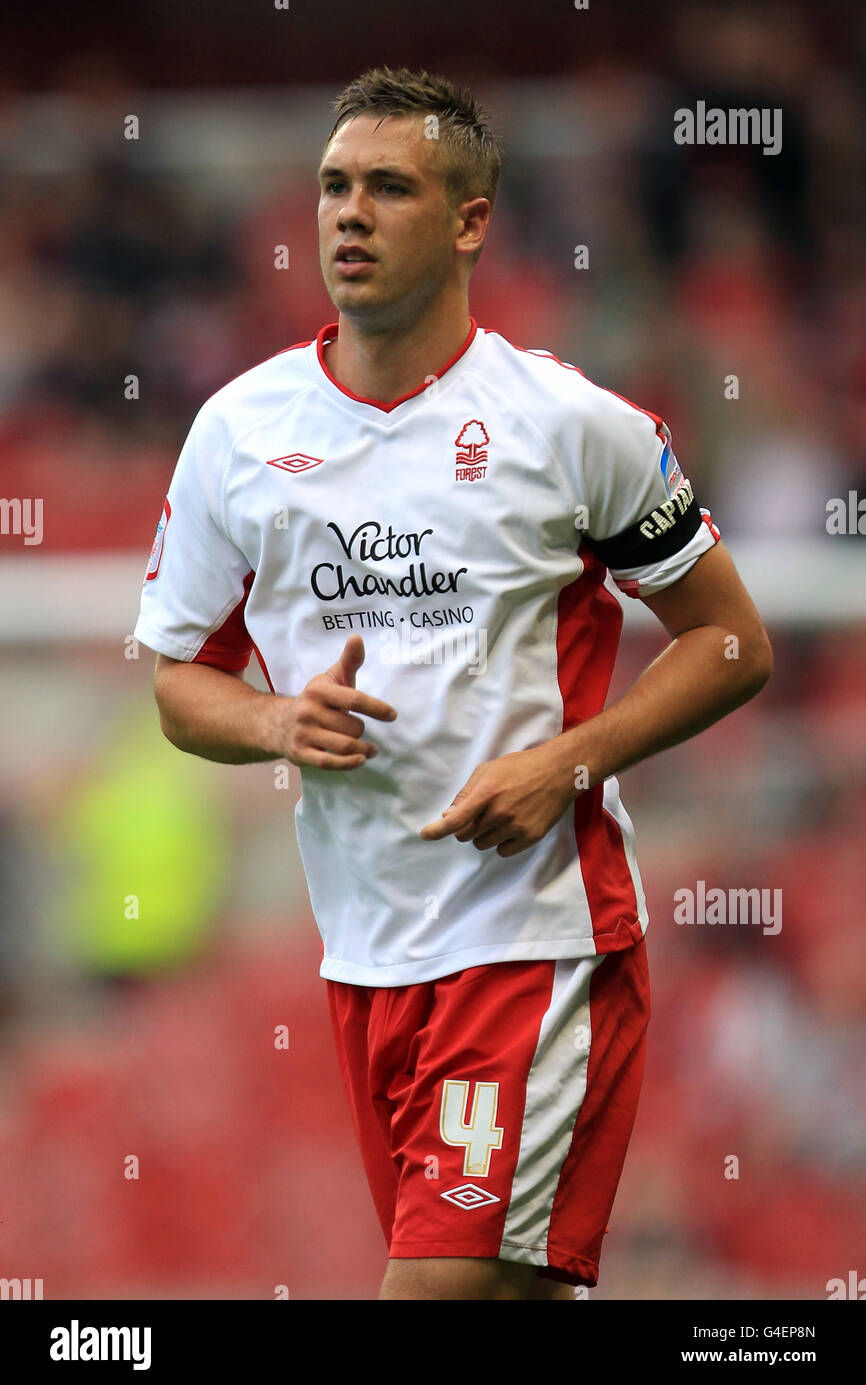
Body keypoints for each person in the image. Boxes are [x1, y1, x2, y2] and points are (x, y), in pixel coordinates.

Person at [133, 66, 773, 1301]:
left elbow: (733, 642)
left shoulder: (567, 425)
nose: (348, 215)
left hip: (533, 938)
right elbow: (174, 681)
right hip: (364, 957)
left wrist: (561, 763)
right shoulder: (237, 432)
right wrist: (275, 717)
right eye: (331, 187)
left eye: (387, 186)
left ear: (471, 220)